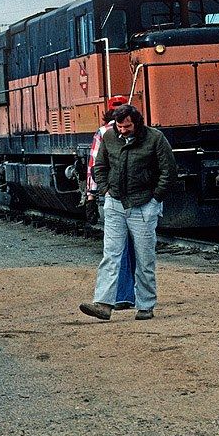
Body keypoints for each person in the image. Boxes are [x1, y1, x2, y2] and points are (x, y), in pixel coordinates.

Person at [80, 104, 177, 321]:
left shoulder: (155, 138)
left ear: (137, 122)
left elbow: (168, 170)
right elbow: (100, 166)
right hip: (115, 204)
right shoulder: (109, 137)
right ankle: (103, 304)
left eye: (127, 126)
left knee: (145, 258)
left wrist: (155, 199)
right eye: (119, 126)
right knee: (110, 255)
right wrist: (105, 190)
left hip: (144, 205)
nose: (122, 130)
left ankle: (145, 306)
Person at [82, 95, 135, 310]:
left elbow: (93, 166)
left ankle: (123, 296)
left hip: (117, 196)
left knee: (117, 247)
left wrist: (92, 195)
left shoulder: (103, 132)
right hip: (132, 197)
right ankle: (130, 295)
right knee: (132, 248)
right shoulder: (140, 132)